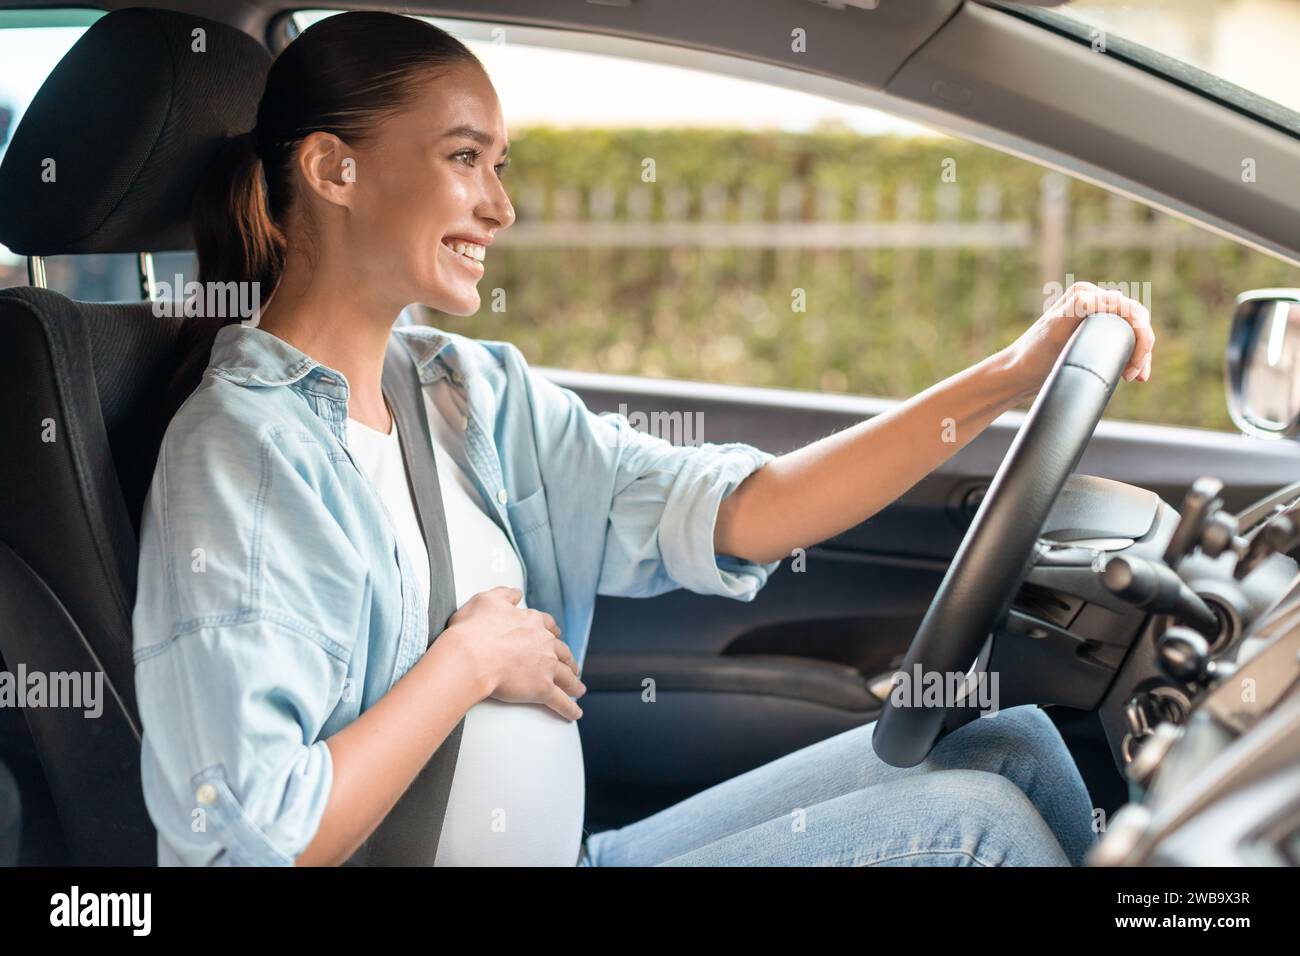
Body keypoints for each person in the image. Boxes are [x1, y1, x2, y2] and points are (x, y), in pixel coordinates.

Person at [132, 11, 1154, 867]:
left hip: (576, 854)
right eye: (463, 159)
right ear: (332, 169)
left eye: (499, 164)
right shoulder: (245, 453)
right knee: (976, 829)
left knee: (1010, 746)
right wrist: (468, 659)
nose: (501, 204)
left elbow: (748, 512)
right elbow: (253, 832)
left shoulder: (463, 393)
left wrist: (1010, 378)